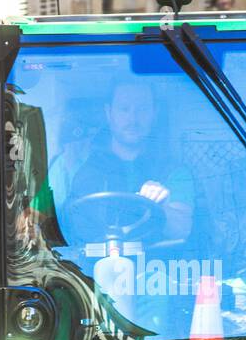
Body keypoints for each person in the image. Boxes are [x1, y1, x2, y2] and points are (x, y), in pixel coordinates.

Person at [68, 85, 192, 242]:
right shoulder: (74, 165)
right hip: (84, 264)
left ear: (154, 113)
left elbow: (182, 229)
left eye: (142, 109)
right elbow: (40, 213)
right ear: (109, 112)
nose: (132, 119)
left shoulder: (174, 171)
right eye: (124, 109)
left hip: (154, 264)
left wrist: (162, 207)